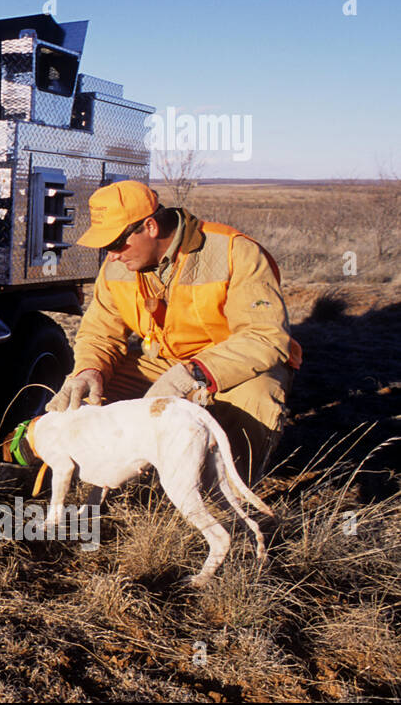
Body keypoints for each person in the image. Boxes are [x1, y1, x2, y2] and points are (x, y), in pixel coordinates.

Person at [47, 180, 301, 483]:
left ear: (151, 227)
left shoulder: (236, 252)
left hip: (234, 365)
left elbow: (265, 337)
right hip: (165, 363)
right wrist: (90, 371)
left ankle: (228, 494)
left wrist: (192, 376)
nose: (111, 256)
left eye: (115, 243)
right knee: (92, 400)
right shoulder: (118, 266)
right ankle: (118, 482)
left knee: (258, 394)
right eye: (105, 247)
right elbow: (100, 333)